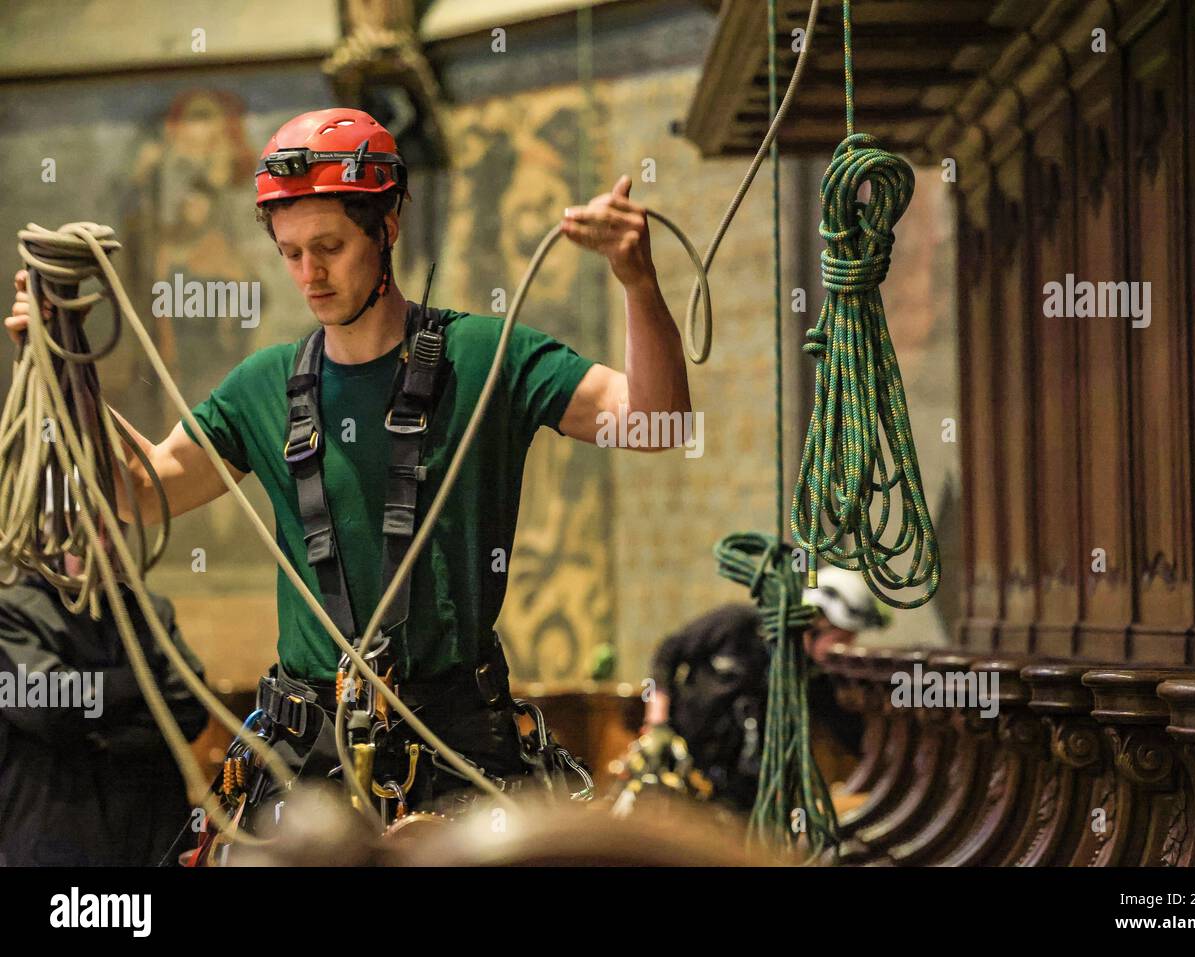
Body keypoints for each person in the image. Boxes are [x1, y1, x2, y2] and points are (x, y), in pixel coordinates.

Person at [6, 107, 692, 831]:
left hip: (459, 747)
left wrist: (637, 280)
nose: (310, 273)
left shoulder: (489, 358)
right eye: (291, 252)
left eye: (329, 246)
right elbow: (141, 492)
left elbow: (659, 420)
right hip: (307, 755)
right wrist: (66, 364)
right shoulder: (262, 387)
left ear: (387, 227)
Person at [0, 562, 208, 866]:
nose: (101, 542)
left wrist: (98, 734)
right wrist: (139, 680)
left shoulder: (150, 610)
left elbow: (189, 708)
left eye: (112, 528)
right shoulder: (12, 612)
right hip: (52, 836)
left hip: (152, 835)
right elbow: (47, 705)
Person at [641, 566, 891, 809]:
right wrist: (657, 723)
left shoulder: (813, 678)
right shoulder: (736, 624)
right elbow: (665, 656)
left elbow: (852, 733)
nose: (847, 646)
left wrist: (894, 763)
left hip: (739, 791)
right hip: (680, 764)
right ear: (815, 621)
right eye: (843, 636)